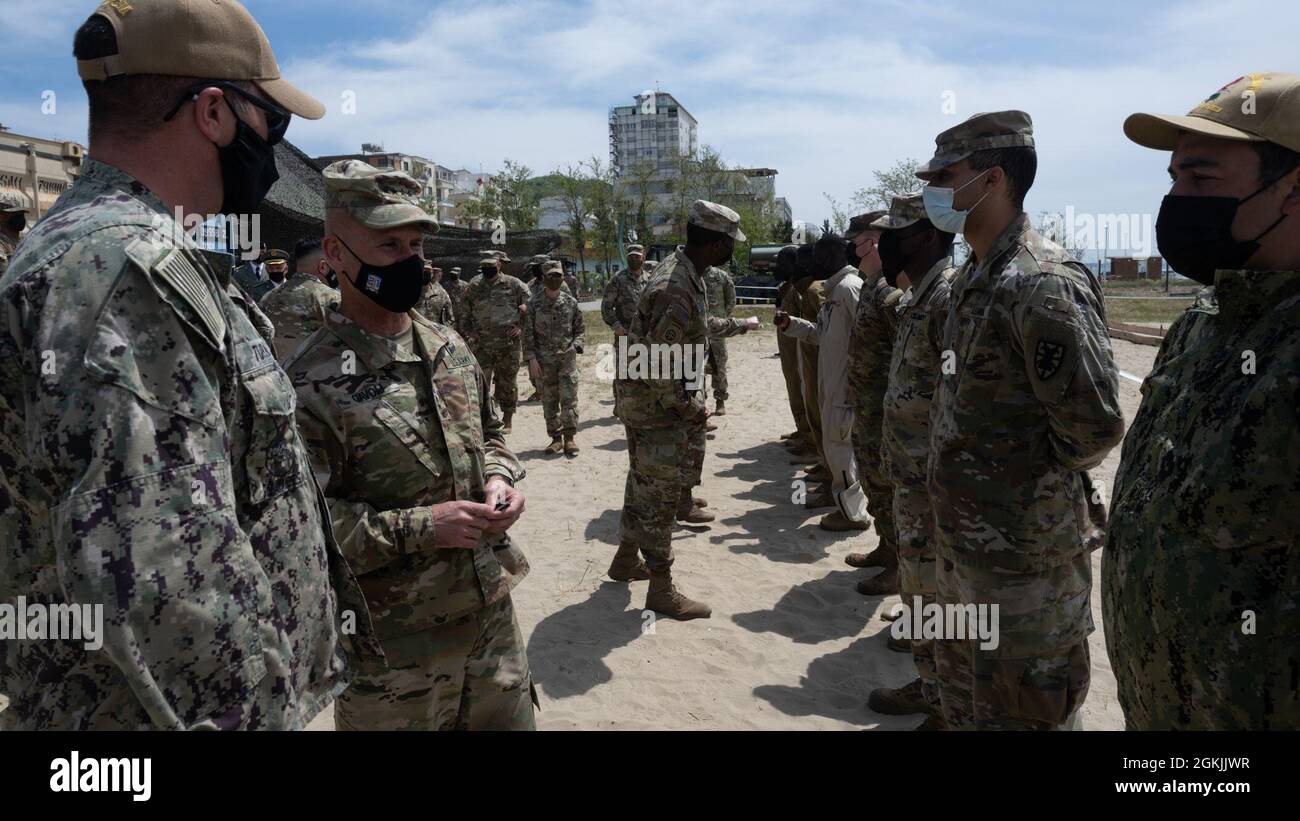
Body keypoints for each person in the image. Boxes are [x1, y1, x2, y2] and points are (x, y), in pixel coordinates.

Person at [0, 0, 377, 730]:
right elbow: (169, 577)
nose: (272, 146)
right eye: (273, 121)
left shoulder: (115, 252)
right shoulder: (123, 269)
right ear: (213, 112)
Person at [287, 160, 535, 731]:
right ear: (337, 253)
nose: (411, 261)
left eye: (416, 244)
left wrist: (500, 478)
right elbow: (305, 527)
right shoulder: (307, 381)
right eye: (389, 244)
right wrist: (426, 526)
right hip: (393, 647)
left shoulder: (448, 345)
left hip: (490, 615)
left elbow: (491, 436)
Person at [1104, 72, 1300, 730]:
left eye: (1202, 180)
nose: (1178, 200)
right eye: (1174, 180)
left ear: (1293, 188)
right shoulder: (1206, 319)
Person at [919, 110, 1124, 730]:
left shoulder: (1041, 283)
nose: (934, 190)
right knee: (969, 711)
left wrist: (1016, 483)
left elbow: (1094, 426)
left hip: (1026, 570)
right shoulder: (970, 279)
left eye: (945, 175)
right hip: (963, 556)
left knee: (1028, 713)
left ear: (993, 180)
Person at [608, 201, 757, 619]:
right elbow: (657, 363)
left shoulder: (685, 271)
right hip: (657, 407)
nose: (732, 250)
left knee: (642, 481)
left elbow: (692, 328)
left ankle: (624, 559)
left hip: (646, 401)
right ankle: (660, 588)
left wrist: (736, 326)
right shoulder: (676, 284)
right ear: (714, 244)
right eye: (729, 243)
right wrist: (689, 408)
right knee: (660, 494)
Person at [864, 194, 957, 726]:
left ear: (924, 235)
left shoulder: (946, 295)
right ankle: (932, 688)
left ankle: (943, 703)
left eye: (893, 233)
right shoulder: (922, 294)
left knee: (937, 591)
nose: (884, 244)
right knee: (922, 589)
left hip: (934, 480)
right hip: (912, 475)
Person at [774, 234, 867, 532]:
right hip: (832, 384)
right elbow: (822, 334)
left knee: (841, 452)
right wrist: (793, 326)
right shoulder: (835, 291)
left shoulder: (850, 289)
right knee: (835, 449)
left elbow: (868, 337)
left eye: (820, 256)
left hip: (843, 388)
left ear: (834, 256)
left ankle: (853, 516)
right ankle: (840, 503)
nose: (815, 263)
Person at [842, 211, 904, 596]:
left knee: (888, 485)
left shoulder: (887, 291)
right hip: (867, 407)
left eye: (859, 240)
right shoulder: (870, 285)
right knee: (873, 481)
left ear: (876, 244)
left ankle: (899, 566)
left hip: (884, 409)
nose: (853, 247)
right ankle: (886, 546)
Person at [462, 252, 530, 433]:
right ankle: (486, 420)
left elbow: (532, 304)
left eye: (491, 267)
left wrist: (521, 325)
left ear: (499, 265)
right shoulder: (474, 286)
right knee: (480, 383)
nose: (488, 270)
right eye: (484, 267)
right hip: (481, 345)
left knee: (508, 382)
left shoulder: (513, 284)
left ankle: (507, 420)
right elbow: (464, 312)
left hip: (508, 345)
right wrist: (469, 332)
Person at [524, 260, 585, 456]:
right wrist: (531, 359)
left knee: (569, 399)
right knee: (549, 402)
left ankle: (570, 439)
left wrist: (576, 346)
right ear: (543, 278)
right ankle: (555, 439)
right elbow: (528, 335)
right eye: (551, 276)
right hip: (544, 362)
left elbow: (580, 329)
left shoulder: (571, 303)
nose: (555, 279)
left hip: (567, 360)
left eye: (558, 275)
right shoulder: (534, 305)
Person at [260, 236, 338, 362]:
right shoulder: (328, 298)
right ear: (323, 266)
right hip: (311, 377)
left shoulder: (267, 297)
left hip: (275, 376)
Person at [774, 245, 814, 450]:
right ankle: (801, 427)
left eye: (780, 261)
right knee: (793, 386)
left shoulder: (801, 288)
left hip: (798, 347)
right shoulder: (787, 286)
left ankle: (809, 435)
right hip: (787, 348)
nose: (776, 266)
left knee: (802, 388)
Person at [704, 264, 737, 415]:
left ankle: (720, 401)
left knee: (719, 365)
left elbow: (731, 299)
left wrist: (722, 319)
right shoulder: (690, 274)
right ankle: (699, 402)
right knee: (695, 366)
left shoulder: (722, 276)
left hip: (717, 330)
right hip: (696, 329)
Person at [0, 190, 30, 275]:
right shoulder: (2, 244)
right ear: (1, 217)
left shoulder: (27, 239)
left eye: (21, 214)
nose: (20, 218)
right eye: (15, 214)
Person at [416, 260, 454, 326]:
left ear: (432, 274)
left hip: (434, 333)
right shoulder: (408, 293)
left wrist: (443, 330)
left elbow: (450, 318)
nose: (426, 274)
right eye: (424, 270)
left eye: (428, 271)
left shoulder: (441, 293)